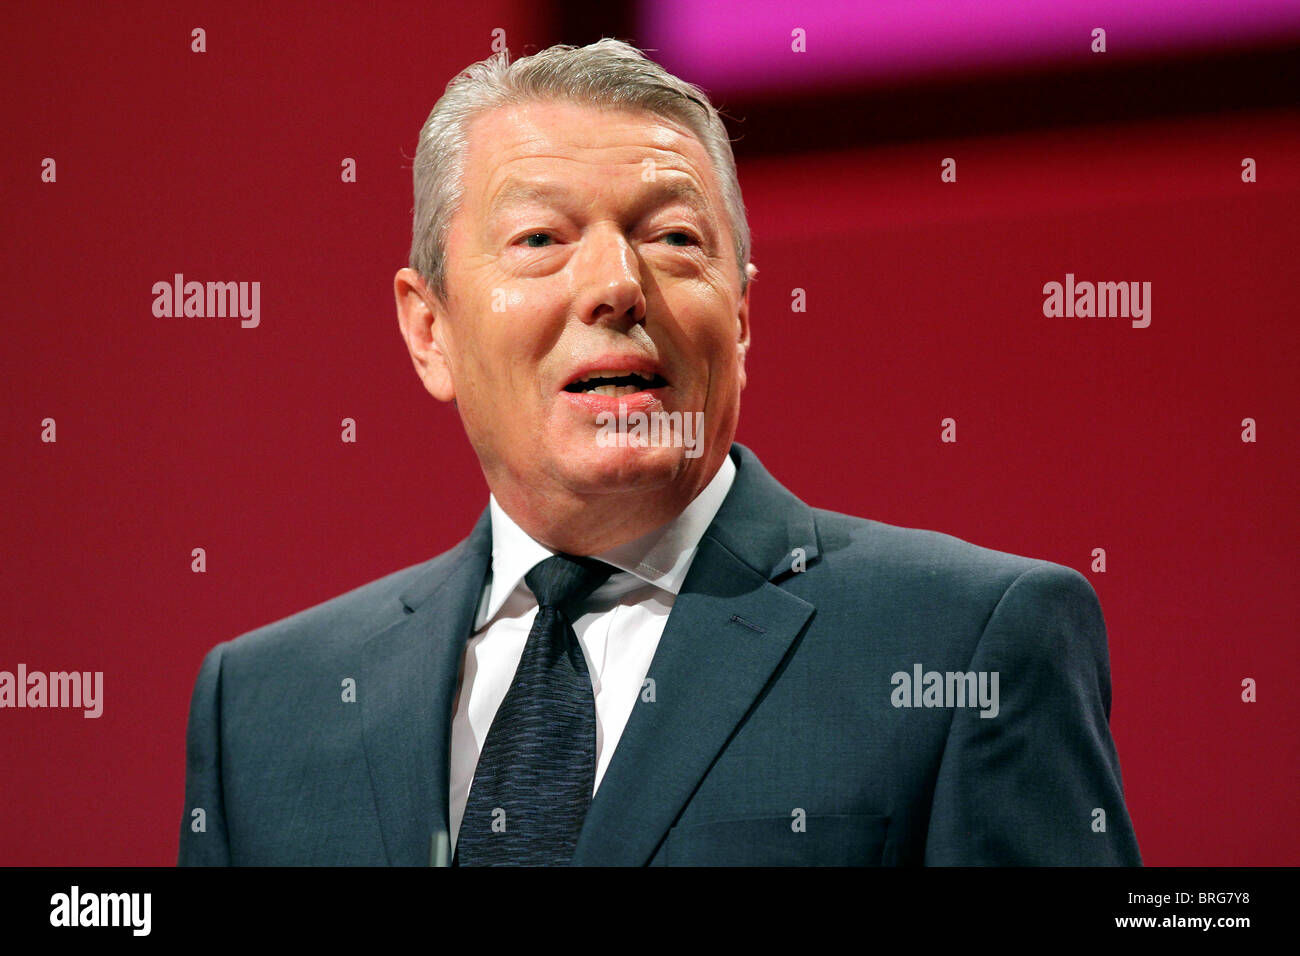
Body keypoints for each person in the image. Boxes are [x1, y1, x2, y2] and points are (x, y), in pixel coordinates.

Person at [178, 39, 1141, 866]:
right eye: (541, 238)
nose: (615, 285)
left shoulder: (969, 641)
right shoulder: (264, 710)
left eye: (674, 238)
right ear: (429, 330)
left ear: (743, 316)